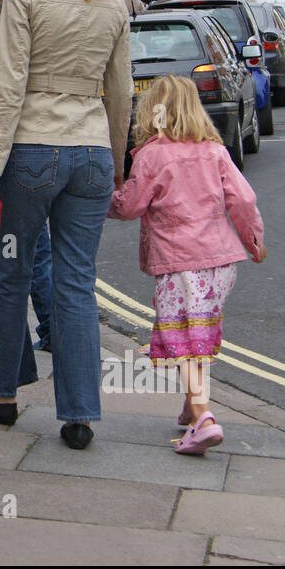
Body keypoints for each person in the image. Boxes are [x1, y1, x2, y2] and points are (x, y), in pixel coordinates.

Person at [0, 0, 131, 449]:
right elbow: (120, 92)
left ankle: (0, 393)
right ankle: (79, 413)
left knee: (13, 271)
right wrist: (116, 164)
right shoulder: (113, 1)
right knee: (75, 283)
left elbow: (10, 85)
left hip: (33, 152)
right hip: (90, 154)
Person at [107, 74, 265, 454]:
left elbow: (129, 206)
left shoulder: (151, 155)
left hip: (180, 263)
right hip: (221, 262)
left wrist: (101, 199)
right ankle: (192, 408)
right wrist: (254, 240)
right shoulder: (214, 150)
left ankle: (205, 418)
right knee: (199, 334)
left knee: (184, 340)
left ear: (152, 112)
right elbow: (242, 201)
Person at [0, 54, 54, 351]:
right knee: (36, 249)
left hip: (41, 166)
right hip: (13, 168)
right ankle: (52, 329)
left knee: (17, 243)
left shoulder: (48, 65)